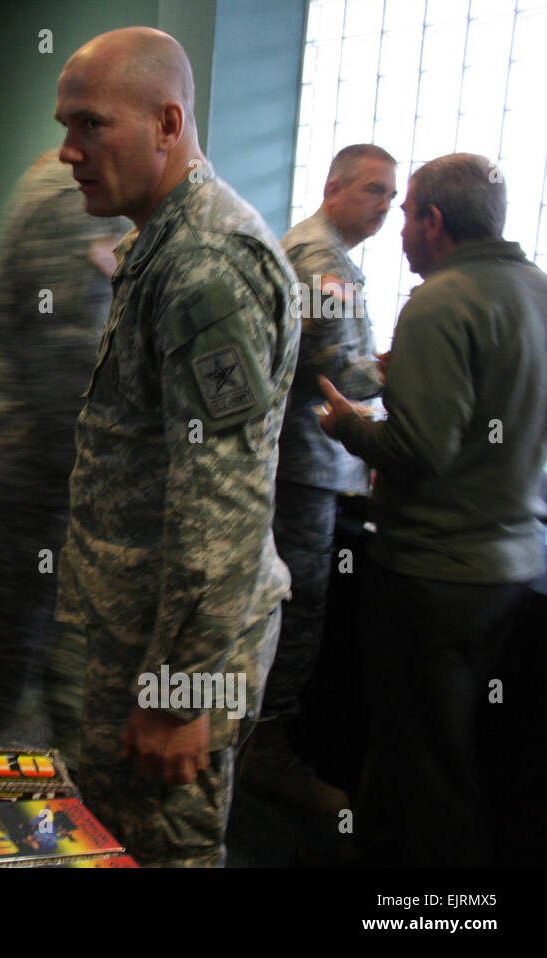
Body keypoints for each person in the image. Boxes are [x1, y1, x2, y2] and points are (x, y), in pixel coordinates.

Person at [53, 27, 298, 867]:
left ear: (167, 122)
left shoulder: (205, 266)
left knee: (161, 848)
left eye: (91, 125)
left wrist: (178, 691)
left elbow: (223, 500)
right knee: (116, 836)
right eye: (67, 127)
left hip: (178, 656)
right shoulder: (161, 239)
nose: (67, 151)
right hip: (143, 631)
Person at [318, 153, 547, 866]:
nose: (397, 229)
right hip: (513, 566)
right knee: (445, 748)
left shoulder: (440, 302)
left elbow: (419, 448)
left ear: (435, 221)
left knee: (427, 765)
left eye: (406, 210)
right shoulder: (535, 290)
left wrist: (346, 422)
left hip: (433, 572)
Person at [0, 150, 129, 736]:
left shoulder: (71, 186)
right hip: (36, 476)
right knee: (21, 661)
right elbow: (69, 361)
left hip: (29, 470)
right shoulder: (74, 195)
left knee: (19, 651)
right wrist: (107, 487)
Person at [241, 144, 395, 814]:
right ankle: (264, 750)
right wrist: (400, 363)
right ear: (334, 188)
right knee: (298, 607)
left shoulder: (317, 251)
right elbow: (332, 369)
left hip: (306, 461)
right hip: (303, 464)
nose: (385, 206)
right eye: (373, 191)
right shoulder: (322, 260)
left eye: (392, 195)